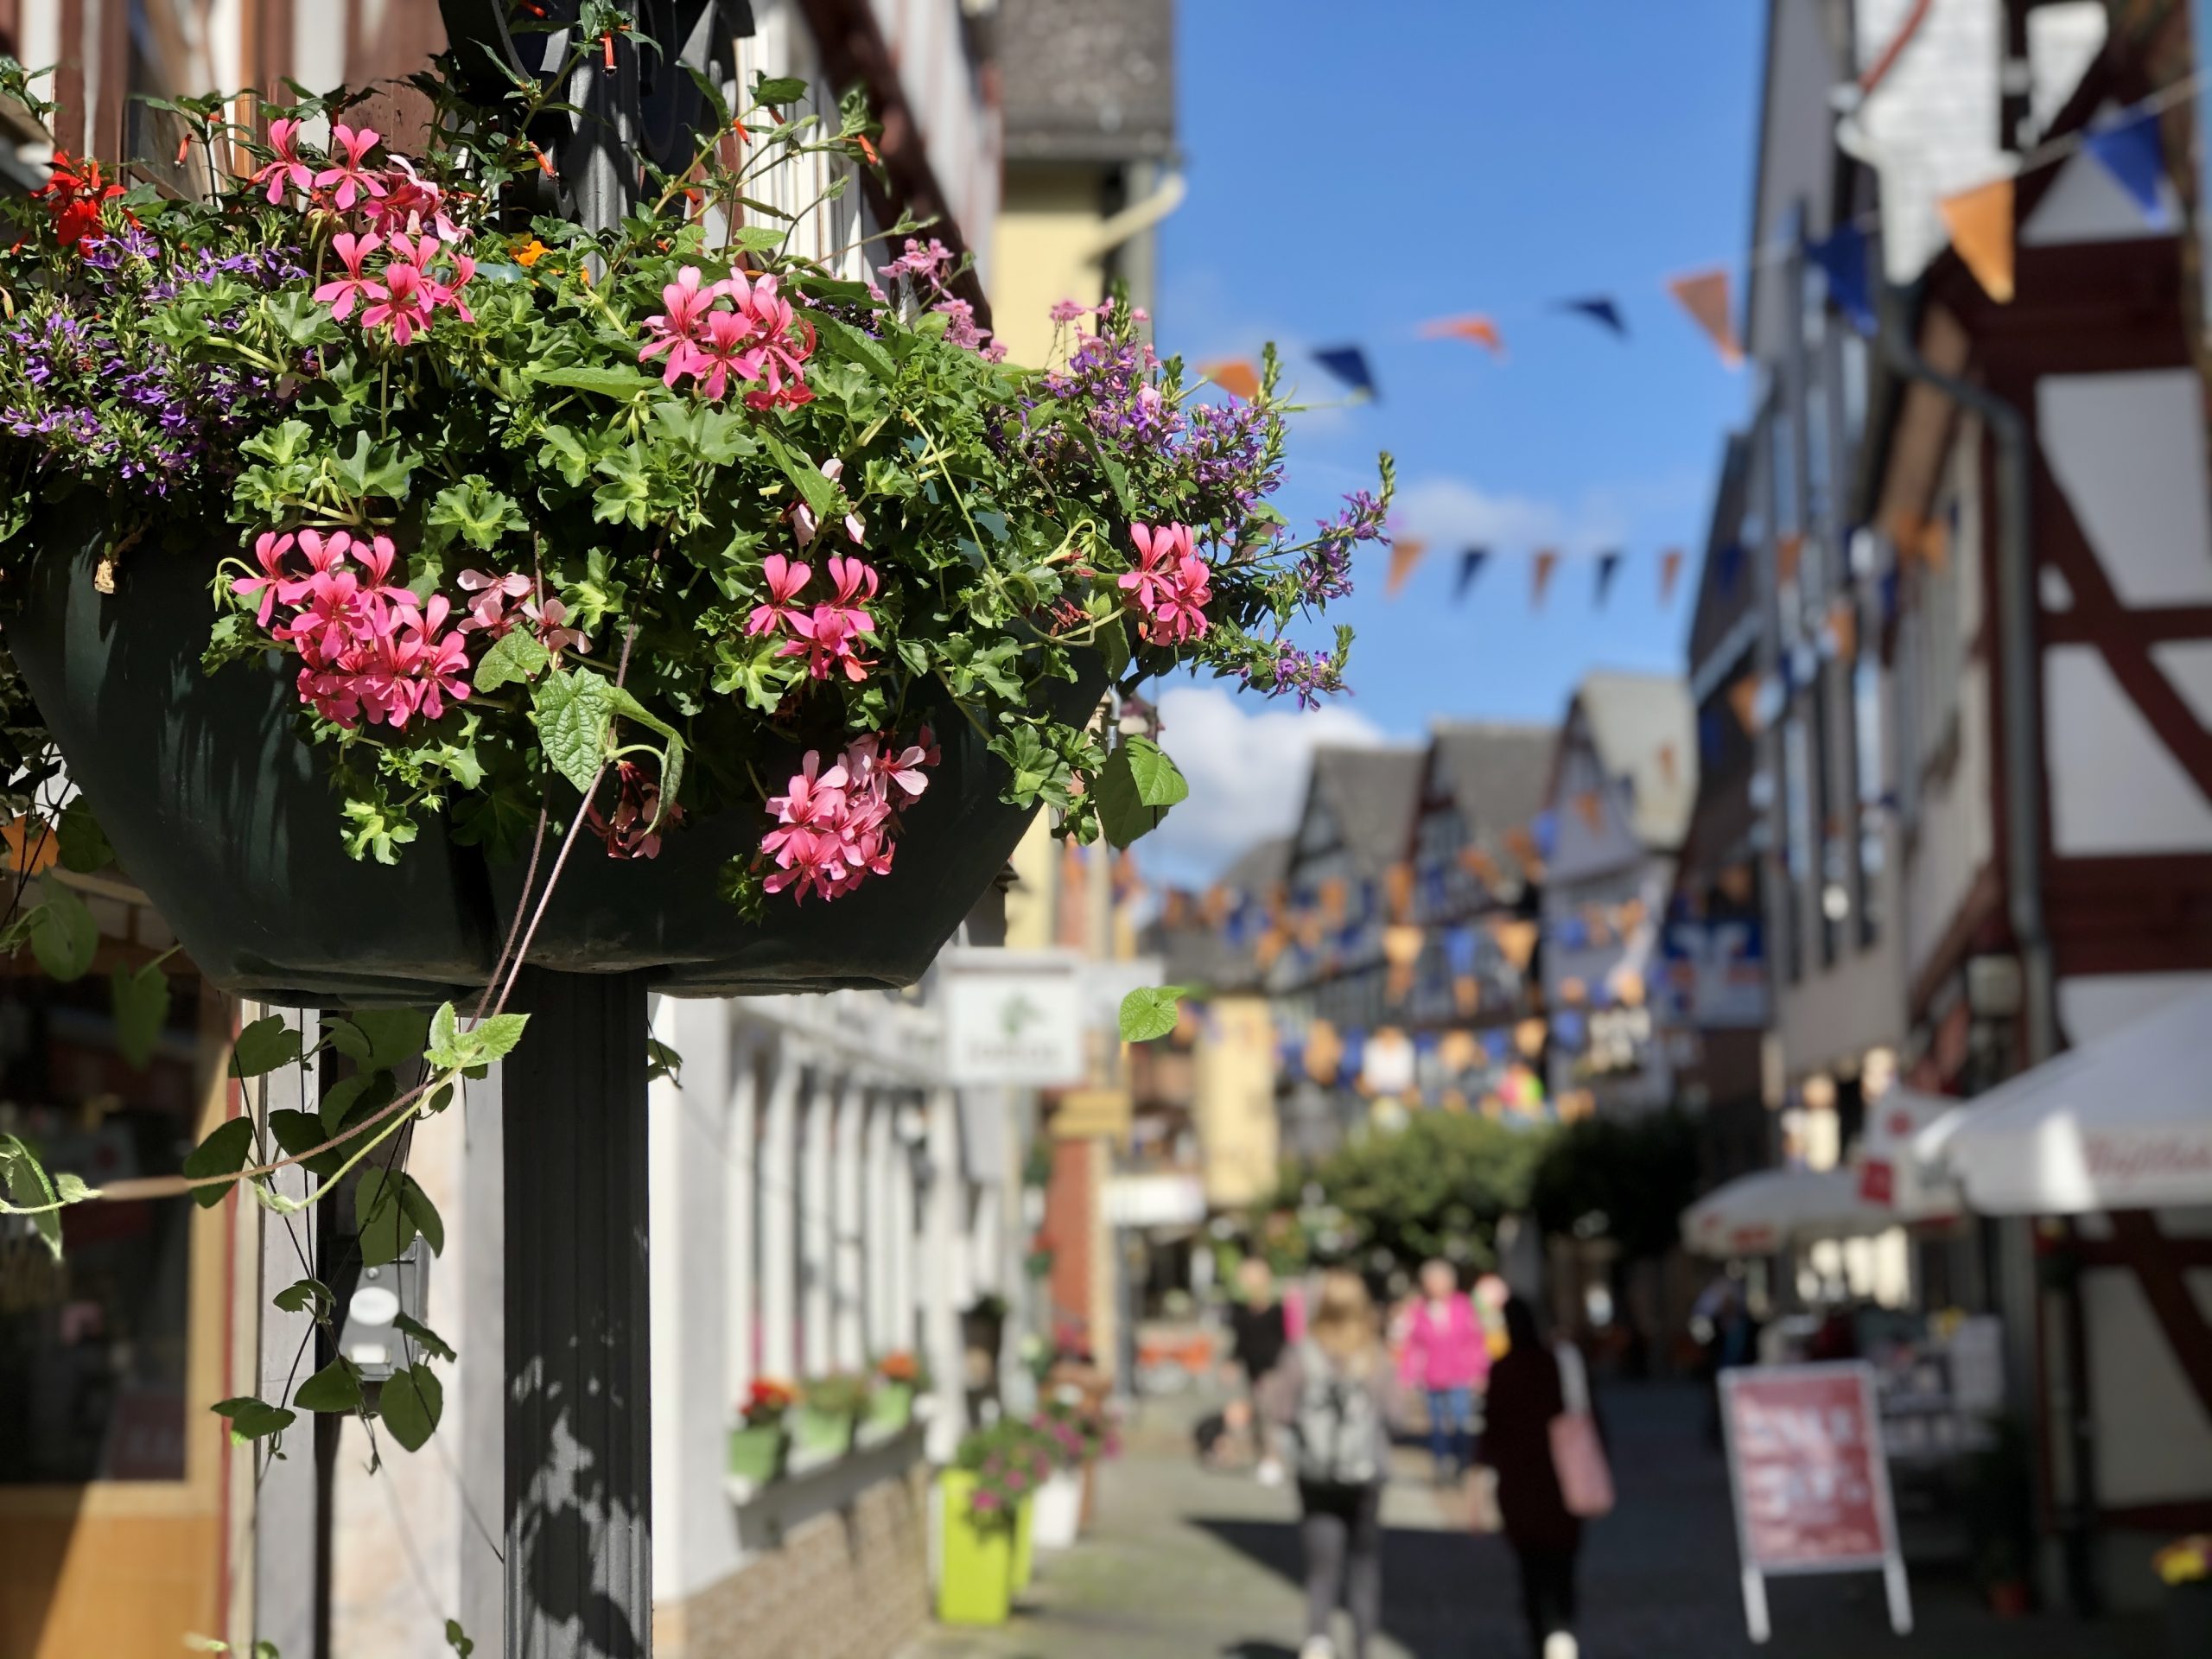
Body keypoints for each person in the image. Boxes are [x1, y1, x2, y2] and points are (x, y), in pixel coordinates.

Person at [1268, 1269, 1395, 1659]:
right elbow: (1399, 1415)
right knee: (1363, 1563)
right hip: (1366, 1474)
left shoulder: (1302, 1352)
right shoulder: (1374, 1354)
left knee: (1322, 1565)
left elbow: (1280, 1409)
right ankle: (1362, 1646)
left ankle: (1318, 1640)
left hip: (1316, 1474)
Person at [1481, 1296, 1583, 1659]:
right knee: (1562, 1564)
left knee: (1531, 1569)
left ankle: (1544, 1636)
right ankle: (1562, 1631)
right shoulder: (1558, 1364)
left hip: (1523, 1484)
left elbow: (1491, 1433)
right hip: (1561, 1480)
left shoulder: (1505, 1369)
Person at [1398, 1258, 1490, 1484]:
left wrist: (1481, 1371)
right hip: (1433, 1375)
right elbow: (1412, 1346)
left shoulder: (1463, 1305)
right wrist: (1407, 1376)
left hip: (1460, 1374)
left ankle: (1462, 1462)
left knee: (1460, 1420)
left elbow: (1476, 1341)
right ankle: (1441, 1465)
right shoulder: (1419, 1310)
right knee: (1437, 1424)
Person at [1228, 1256, 1290, 1481]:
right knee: (1258, 1414)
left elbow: (1288, 1342)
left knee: (1270, 1415)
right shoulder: (1241, 1309)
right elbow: (1241, 1341)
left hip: (1274, 1370)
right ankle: (1263, 1456)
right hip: (1252, 1370)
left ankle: (1272, 1459)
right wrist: (1232, 1361)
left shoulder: (1279, 1309)